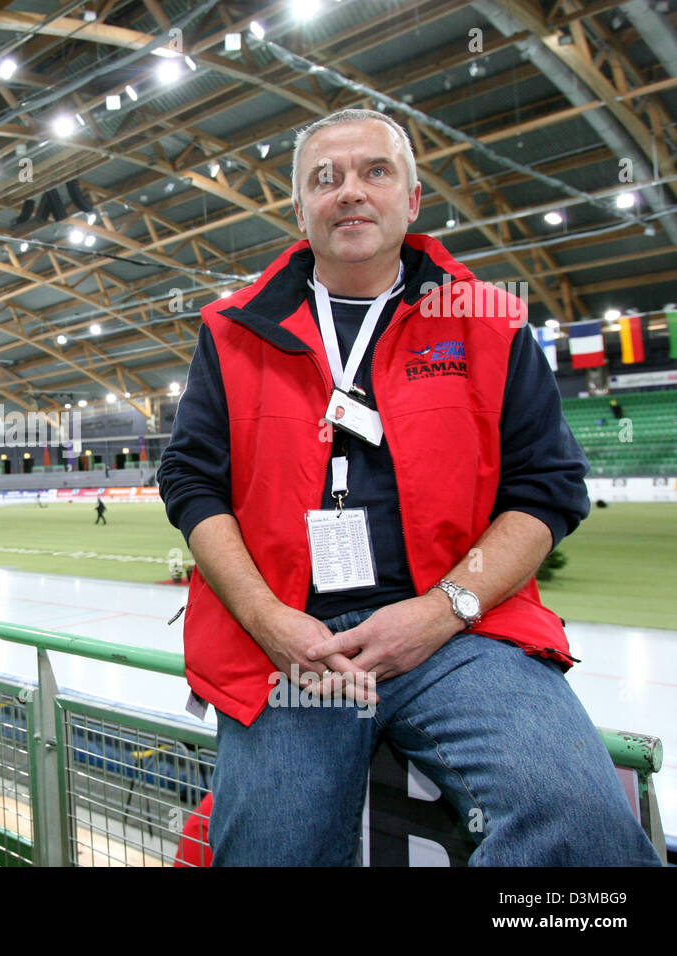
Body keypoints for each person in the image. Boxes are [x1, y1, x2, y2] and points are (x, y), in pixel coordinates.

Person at [157, 108, 660, 867]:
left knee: (581, 824)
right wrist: (266, 618)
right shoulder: (235, 330)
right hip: (296, 647)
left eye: (374, 172)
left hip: (460, 634)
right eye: (325, 179)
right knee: (267, 852)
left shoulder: (488, 324)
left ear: (413, 200)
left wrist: (441, 611)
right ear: (300, 210)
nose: (349, 192)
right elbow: (193, 482)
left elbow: (547, 490)